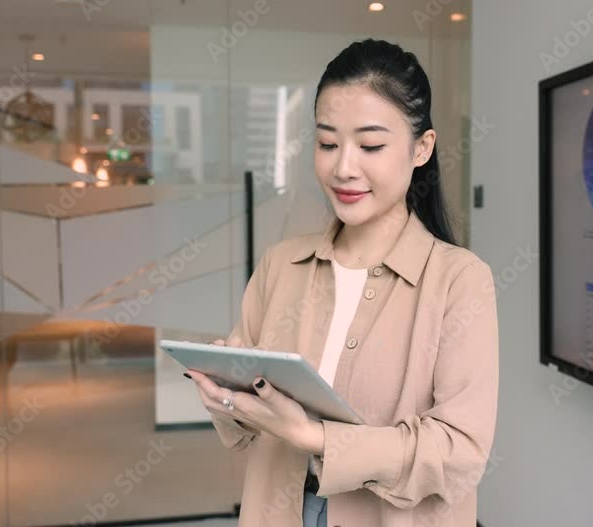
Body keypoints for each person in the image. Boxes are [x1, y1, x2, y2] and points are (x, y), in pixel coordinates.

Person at [184, 38, 499, 527]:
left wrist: (317, 438)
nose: (343, 167)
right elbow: (244, 428)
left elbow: (459, 452)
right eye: (327, 143)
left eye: (371, 145)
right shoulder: (280, 264)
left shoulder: (460, 280)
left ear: (422, 148)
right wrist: (225, 397)